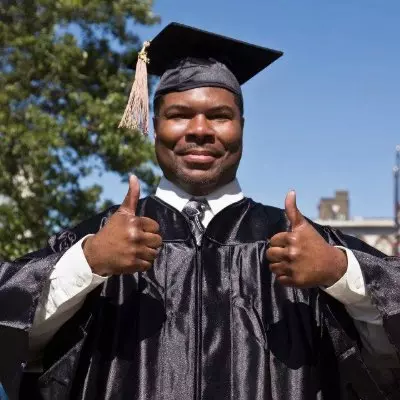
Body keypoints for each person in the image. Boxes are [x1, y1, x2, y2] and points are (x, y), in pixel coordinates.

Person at [0, 23, 399, 400]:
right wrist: (88, 264)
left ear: (242, 126)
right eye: (179, 115)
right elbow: (16, 343)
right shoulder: (99, 241)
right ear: (155, 127)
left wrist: (339, 272)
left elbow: (383, 362)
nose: (200, 130)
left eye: (219, 116)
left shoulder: (301, 244)